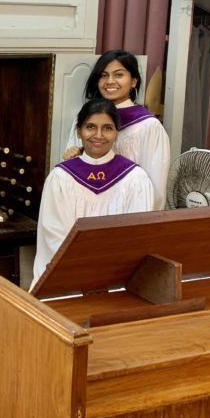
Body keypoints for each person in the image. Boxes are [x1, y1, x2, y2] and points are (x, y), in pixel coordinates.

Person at [33, 98, 154, 285]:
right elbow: (53, 235)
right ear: (79, 132)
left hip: (116, 280)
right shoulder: (61, 177)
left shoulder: (134, 179)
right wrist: (84, 273)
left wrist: (105, 273)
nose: (98, 135)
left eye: (107, 128)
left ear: (116, 133)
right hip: (69, 278)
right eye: (90, 127)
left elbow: (135, 238)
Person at [64, 50, 170, 210]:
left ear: (134, 81)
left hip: (127, 208)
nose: (110, 81)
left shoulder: (148, 126)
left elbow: (156, 184)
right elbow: (72, 162)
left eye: (119, 75)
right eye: (103, 75)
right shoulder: (85, 118)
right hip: (85, 205)